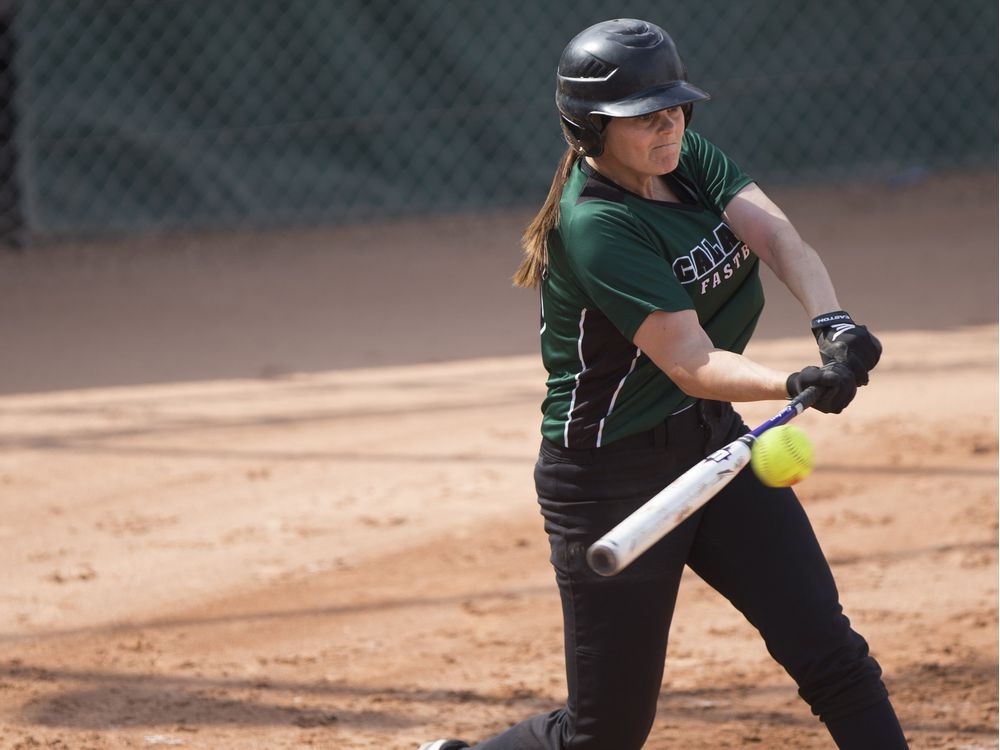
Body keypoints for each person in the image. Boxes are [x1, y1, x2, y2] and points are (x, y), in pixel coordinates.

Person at [420, 17, 903, 750]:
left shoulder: (684, 157)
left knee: (831, 653)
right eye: (643, 117)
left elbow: (777, 236)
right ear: (590, 129)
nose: (667, 124)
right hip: (610, 476)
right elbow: (691, 361)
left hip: (711, 446)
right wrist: (793, 381)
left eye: (674, 106)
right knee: (605, 735)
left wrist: (832, 324)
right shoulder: (598, 225)